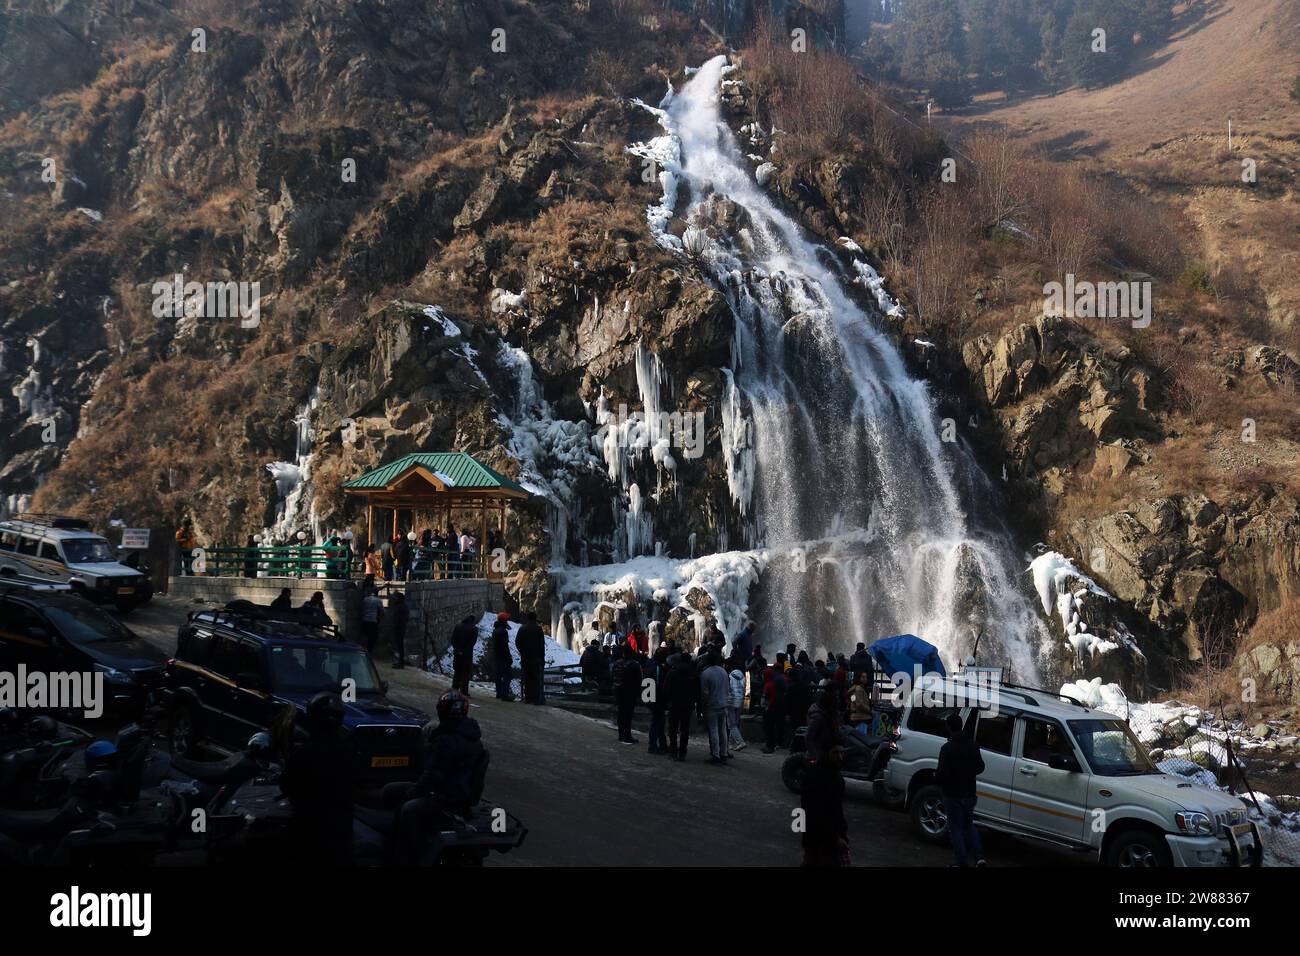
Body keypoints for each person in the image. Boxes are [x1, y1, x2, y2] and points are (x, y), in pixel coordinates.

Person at [395, 690, 485, 865]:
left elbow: (433, 776)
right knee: (397, 792)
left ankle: (404, 857)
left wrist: (412, 792)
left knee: (406, 807)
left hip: (445, 798)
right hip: (461, 796)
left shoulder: (446, 740)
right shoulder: (473, 737)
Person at [282, 692, 356, 865]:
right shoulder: (348, 752)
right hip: (341, 839)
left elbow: (286, 785)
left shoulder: (303, 753)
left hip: (307, 836)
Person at [935, 712, 987, 867]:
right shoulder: (973, 745)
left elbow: (942, 774)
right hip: (970, 792)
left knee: (955, 828)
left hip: (953, 794)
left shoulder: (947, 748)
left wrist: (937, 777)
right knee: (968, 825)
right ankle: (979, 857)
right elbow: (980, 767)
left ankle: (961, 861)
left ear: (949, 728)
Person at [800, 744, 849, 867]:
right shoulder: (825, 778)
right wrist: (837, 836)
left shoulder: (833, 777)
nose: (840, 757)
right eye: (836, 753)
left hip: (817, 837)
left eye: (841, 753)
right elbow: (829, 811)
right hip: (822, 837)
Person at [699, 651, 730, 765]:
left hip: (712, 706)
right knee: (723, 730)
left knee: (713, 730)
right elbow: (727, 688)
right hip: (723, 704)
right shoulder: (724, 672)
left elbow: (705, 693)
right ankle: (724, 753)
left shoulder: (705, 674)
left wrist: (703, 706)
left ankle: (716, 755)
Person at [665, 650, 697, 761]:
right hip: (687, 705)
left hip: (674, 705)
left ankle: (673, 751)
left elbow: (666, 689)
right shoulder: (693, 673)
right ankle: (682, 752)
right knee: (684, 729)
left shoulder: (672, 672)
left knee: (672, 729)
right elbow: (697, 691)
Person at [611, 645, 641, 744]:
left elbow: (613, 677)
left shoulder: (616, 663)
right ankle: (627, 735)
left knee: (621, 713)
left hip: (618, 691)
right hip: (629, 693)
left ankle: (621, 734)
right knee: (628, 715)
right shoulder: (634, 664)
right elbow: (638, 680)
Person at [515, 611, 546, 705]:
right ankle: (536, 699)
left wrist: (522, 652)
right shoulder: (538, 629)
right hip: (536, 658)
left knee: (527, 677)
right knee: (536, 678)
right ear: (535, 618)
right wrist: (542, 657)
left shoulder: (522, 628)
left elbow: (517, 642)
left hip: (525, 657)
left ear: (528, 618)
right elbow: (541, 645)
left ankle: (527, 698)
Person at [805, 682, 840, 763]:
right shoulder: (819, 717)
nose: (838, 699)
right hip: (822, 755)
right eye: (836, 696)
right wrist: (816, 757)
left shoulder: (830, 713)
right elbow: (809, 738)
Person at [645, 646, 669, 754]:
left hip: (650, 696)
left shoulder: (650, 664)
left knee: (659, 721)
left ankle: (662, 744)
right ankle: (653, 745)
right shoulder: (658, 667)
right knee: (656, 722)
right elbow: (660, 685)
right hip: (656, 698)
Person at [762, 664, 787, 753]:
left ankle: (770, 745)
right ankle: (779, 743)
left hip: (771, 708)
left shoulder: (768, 685)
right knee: (778, 725)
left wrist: (767, 707)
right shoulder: (781, 678)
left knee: (769, 727)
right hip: (779, 705)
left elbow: (767, 698)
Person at [450, 615, 478, 695]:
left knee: (457, 671)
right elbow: (472, 643)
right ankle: (464, 691)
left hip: (457, 653)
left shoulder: (458, 626)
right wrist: (464, 650)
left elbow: (453, 639)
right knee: (466, 673)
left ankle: (454, 688)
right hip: (467, 654)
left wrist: (458, 649)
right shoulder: (474, 629)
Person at [491, 612, 514, 700]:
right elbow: (505, 647)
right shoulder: (503, 632)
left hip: (497, 656)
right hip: (503, 657)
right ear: (504, 621)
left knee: (498, 675)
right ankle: (505, 694)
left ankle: (499, 693)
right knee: (507, 675)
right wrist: (509, 657)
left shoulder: (495, 630)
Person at [726, 660, 747, 751]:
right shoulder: (743, 676)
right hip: (740, 701)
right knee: (734, 723)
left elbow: (728, 688)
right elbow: (744, 689)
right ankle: (731, 743)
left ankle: (740, 742)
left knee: (731, 724)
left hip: (730, 701)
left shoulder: (730, 676)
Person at [389, 592, 409, 669]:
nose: (395, 599)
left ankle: (401, 663)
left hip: (398, 628)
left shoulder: (398, 607)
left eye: (396, 597)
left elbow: (396, 619)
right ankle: (401, 661)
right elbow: (406, 618)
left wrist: (394, 626)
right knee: (400, 645)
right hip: (402, 627)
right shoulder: (405, 606)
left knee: (399, 646)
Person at [361, 587, 384, 654]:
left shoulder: (365, 599)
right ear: (377, 593)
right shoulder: (378, 600)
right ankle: (369, 652)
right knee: (372, 637)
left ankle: (363, 651)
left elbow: (362, 608)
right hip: (373, 621)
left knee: (365, 635)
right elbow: (382, 611)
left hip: (364, 620)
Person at [746, 644, 767, 713]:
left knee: (753, 697)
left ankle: (752, 711)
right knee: (760, 696)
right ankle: (760, 711)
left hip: (754, 680)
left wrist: (746, 661)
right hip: (761, 681)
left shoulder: (754, 660)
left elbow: (748, 667)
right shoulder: (764, 660)